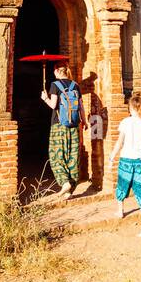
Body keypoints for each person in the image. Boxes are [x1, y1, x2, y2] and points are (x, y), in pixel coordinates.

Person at [110, 91, 141, 237]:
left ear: (130, 108)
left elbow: (120, 142)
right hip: (140, 161)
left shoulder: (125, 122)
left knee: (122, 185)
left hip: (126, 160)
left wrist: (112, 156)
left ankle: (120, 210)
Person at [40, 63, 85, 197]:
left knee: (57, 155)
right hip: (74, 125)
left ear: (57, 71)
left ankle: (64, 182)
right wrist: (85, 122)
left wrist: (45, 98)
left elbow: (53, 105)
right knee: (73, 156)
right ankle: (70, 191)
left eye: (54, 70)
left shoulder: (55, 85)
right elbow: (81, 107)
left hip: (58, 125)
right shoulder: (75, 85)